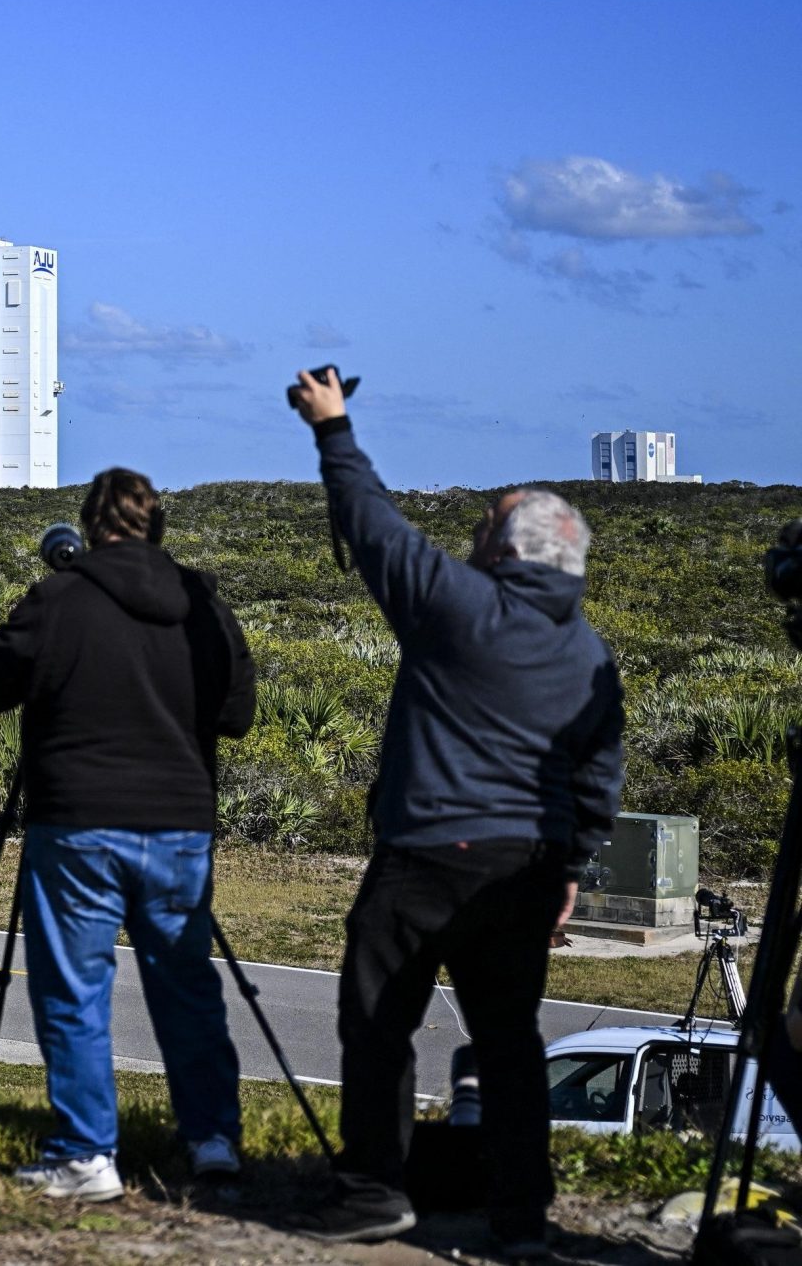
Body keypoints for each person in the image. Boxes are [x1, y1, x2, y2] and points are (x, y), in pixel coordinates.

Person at [286, 369, 624, 1256]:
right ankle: (520, 1221)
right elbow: (599, 776)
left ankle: (373, 1191)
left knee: (378, 1021)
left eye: (482, 529)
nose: (471, 538)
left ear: (507, 551)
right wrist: (572, 869)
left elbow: (372, 526)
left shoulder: (456, 607)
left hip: (427, 855)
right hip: (526, 868)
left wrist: (333, 427)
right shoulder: (590, 655)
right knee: (509, 1046)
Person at [0, 468, 257, 1201]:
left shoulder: (58, 597)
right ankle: (213, 1137)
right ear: (155, 526)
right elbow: (236, 713)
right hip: (179, 821)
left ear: (92, 526)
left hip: (78, 819)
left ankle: (87, 1153)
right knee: (187, 985)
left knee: (75, 990)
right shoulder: (202, 602)